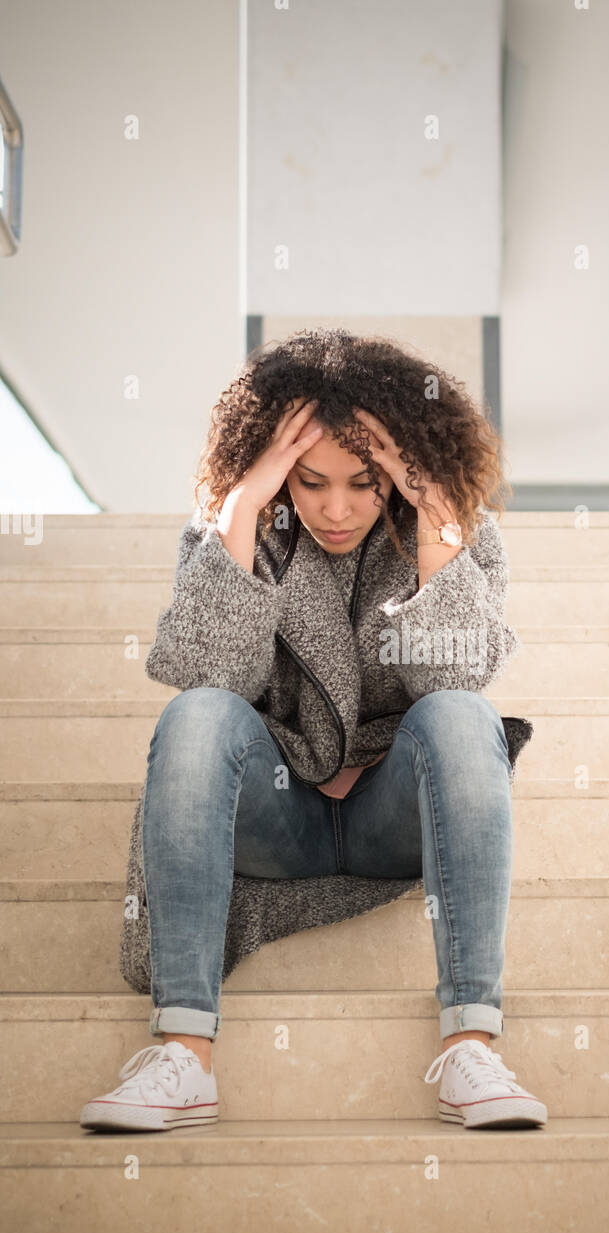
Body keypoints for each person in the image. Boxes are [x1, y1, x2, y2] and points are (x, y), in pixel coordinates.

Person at [80, 328, 547, 1133]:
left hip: (393, 817)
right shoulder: (237, 527)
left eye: (365, 483)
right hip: (278, 816)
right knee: (194, 713)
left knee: (464, 714)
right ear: (277, 470)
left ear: (400, 472)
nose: (337, 509)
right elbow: (211, 682)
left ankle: (471, 1047)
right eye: (311, 481)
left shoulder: (453, 531)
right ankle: (185, 1058)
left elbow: (453, 679)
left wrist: (435, 522)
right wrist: (238, 513)